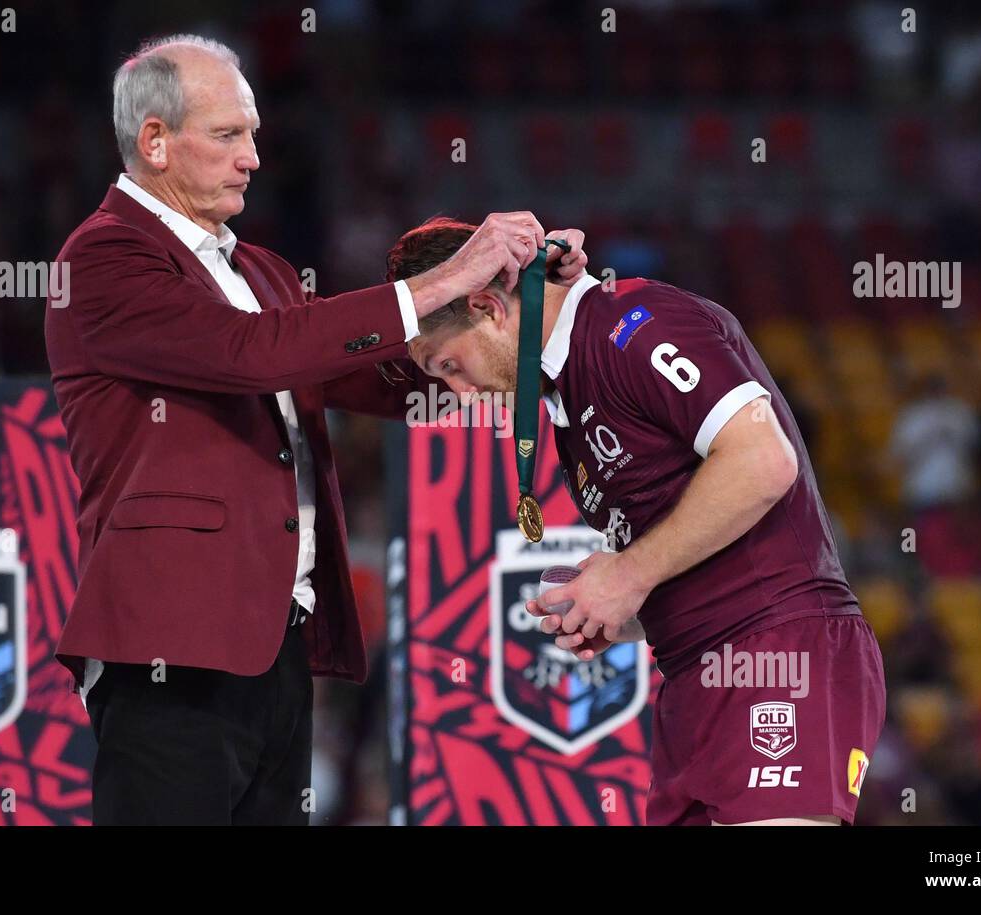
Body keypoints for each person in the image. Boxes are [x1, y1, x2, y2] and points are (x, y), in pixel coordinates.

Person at [44, 35, 587, 825]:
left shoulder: (260, 271)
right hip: (170, 649)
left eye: (253, 134)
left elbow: (365, 374)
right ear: (155, 141)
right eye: (228, 134)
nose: (253, 157)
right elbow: (251, 353)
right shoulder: (102, 259)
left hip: (277, 647)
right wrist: (449, 274)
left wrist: (517, 314)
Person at [384, 216, 885, 826]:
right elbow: (696, 543)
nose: (460, 394)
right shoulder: (570, 392)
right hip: (695, 678)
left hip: (779, 652)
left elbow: (762, 461)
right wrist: (619, 609)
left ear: (488, 307)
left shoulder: (634, 324)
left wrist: (626, 576)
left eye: (447, 365)